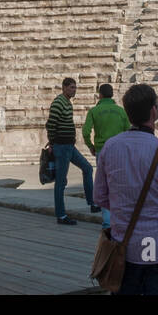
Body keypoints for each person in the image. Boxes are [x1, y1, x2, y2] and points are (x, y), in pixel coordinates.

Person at [93, 84, 158, 295]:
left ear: (128, 113)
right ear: (153, 112)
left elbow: (99, 197)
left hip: (124, 249)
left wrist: (124, 209)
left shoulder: (109, 148)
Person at [46, 77, 98, 225]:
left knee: (87, 168)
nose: (74, 90)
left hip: (69, 146)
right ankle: (61, 215)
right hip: (62, 147)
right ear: (64, 88)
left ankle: (92, 203)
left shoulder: (67, 103)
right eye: (71, 87)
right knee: (61, 182)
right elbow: (51, 124)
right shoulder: (58, 102)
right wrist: (52, 143)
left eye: (75, 87)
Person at [84, 83, 131, 228]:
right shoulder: (121, 111)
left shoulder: (94, 111)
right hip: (119, 151)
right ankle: (121, 219)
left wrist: (91, 146)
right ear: (112, 95)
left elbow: (86, 132)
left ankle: (107, 222)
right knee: (119, 183)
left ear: (100, 95)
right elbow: (129, 131)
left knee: (104, 185)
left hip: (101, 150)